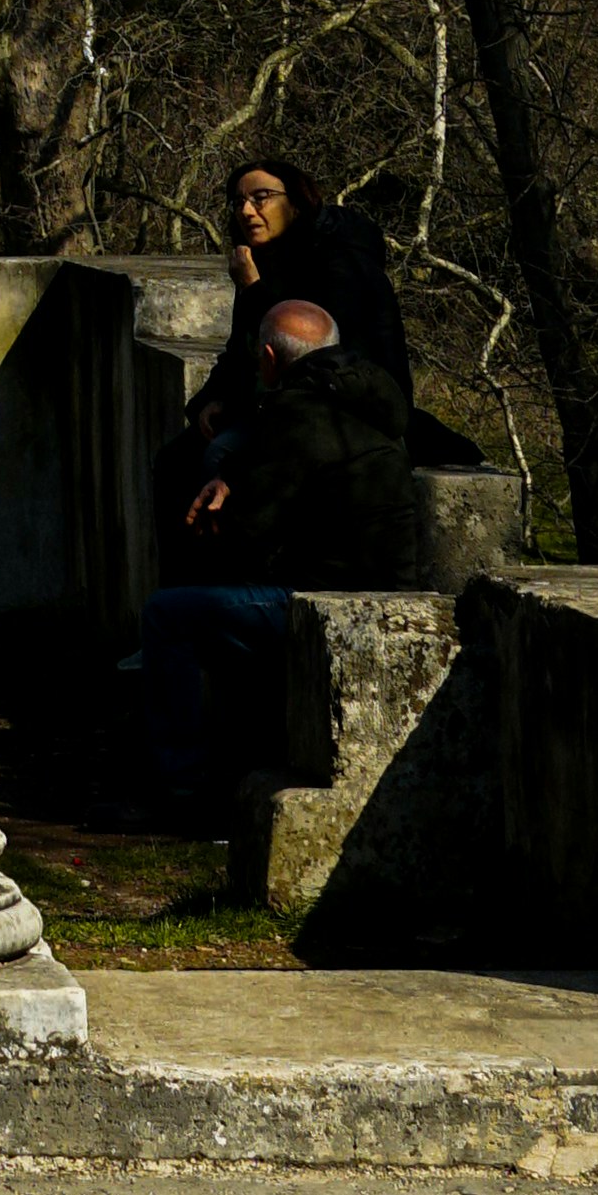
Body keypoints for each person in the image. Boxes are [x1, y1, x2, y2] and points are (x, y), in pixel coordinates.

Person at [140, 295, 419, 821]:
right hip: (384, 587)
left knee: (168, 616)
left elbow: (246, 532)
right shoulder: (369, 401)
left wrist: (216, 510)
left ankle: (182, 792)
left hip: (326, 599)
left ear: (268, 357)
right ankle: (233, 762)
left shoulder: (297, 414)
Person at [229, 153, 412, 416]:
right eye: (238, 202)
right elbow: (240, 350)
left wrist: (252, 288)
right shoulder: (258, 262)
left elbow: (305, 350)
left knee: (220, 454)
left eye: (261, 198)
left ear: (296, 203)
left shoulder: (339, 264)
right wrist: (213, 399)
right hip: (272, 406)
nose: (246, 211)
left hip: (341, 414)